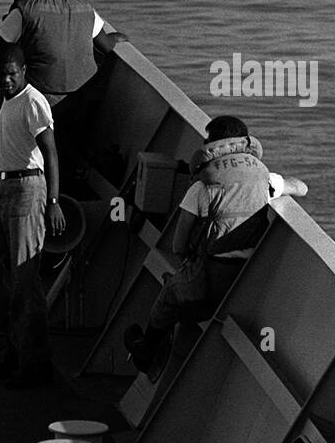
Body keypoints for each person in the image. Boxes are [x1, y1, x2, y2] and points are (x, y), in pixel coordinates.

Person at [124, 115, 309, 374]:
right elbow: (301, 188)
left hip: (206, 283)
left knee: (169, 295)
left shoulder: (202, 186)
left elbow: (178, 246)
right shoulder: (264, 179)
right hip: (244, 282)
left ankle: (146, 352)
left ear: (214, 146)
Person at [0, 0, 125, 178]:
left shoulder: (24, 11)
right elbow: (106, 45)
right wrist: (118, 37)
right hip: (84, 100)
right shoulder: (83, 4)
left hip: (44, 100)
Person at [0, 45, 66, 389]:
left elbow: (50, 153)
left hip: (29, 188)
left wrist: (53, 201)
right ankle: (16, 344)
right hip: (3, 189)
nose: (6, 79)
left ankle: (35, 365)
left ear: (24, 71)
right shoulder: (7, 101)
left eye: (12, 73)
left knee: (26, 282)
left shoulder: (32, 101)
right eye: (1, 73)